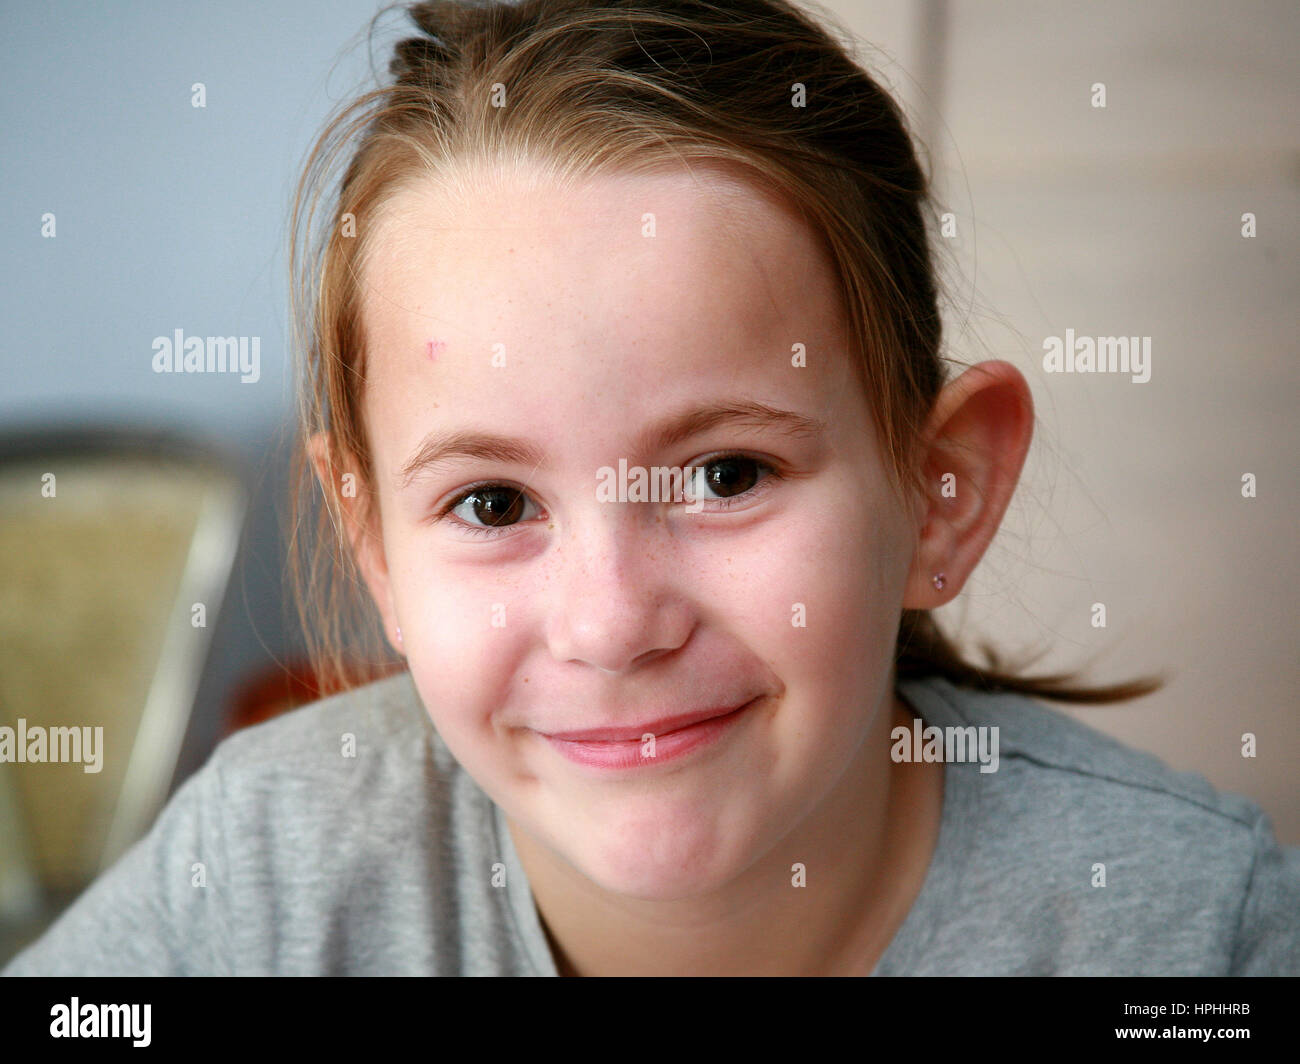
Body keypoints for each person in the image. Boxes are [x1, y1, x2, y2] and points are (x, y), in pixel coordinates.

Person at [5, 0, 1297, 977]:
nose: (612, 621)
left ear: (940, 491)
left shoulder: (1188, 927)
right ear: (378, 548)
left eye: (727, 474)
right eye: (495, 504)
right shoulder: (262, 876)